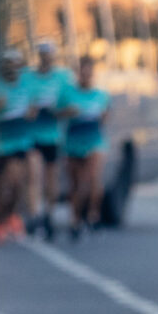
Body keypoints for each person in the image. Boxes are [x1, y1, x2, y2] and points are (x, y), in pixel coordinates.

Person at [0, 49, 35, 242]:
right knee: (0, 187)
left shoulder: (26, 85)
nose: (11, 69)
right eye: (7, 65)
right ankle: (0, 220)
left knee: (17, 183)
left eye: (14, 65)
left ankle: (10, 216)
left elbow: (34, 108)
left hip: (20, 143)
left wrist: (31, 113)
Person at [25, 39, 72, 241]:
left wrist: (58, 112)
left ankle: (49, 214)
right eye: (43, 55)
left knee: (51, 179)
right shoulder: (28, 78)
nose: (46, 59)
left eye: (49, 55)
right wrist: (31, 111)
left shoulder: (62, 78)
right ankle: (34, 215)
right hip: (32, 135)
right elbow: (20, 104)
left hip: (53, 135)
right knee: (34, 175)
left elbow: (71, 105)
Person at [61, 54, 111, 238]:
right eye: (83, 73)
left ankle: (93, 214)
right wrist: (69, 112)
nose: (86, 76)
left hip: (94, 141)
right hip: (73, 141)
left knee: (92, 178)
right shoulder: (68, 94)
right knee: (75, 184)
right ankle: (75, 219)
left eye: (89, 73)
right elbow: (58, 114)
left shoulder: (101, 96)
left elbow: (105, 118)